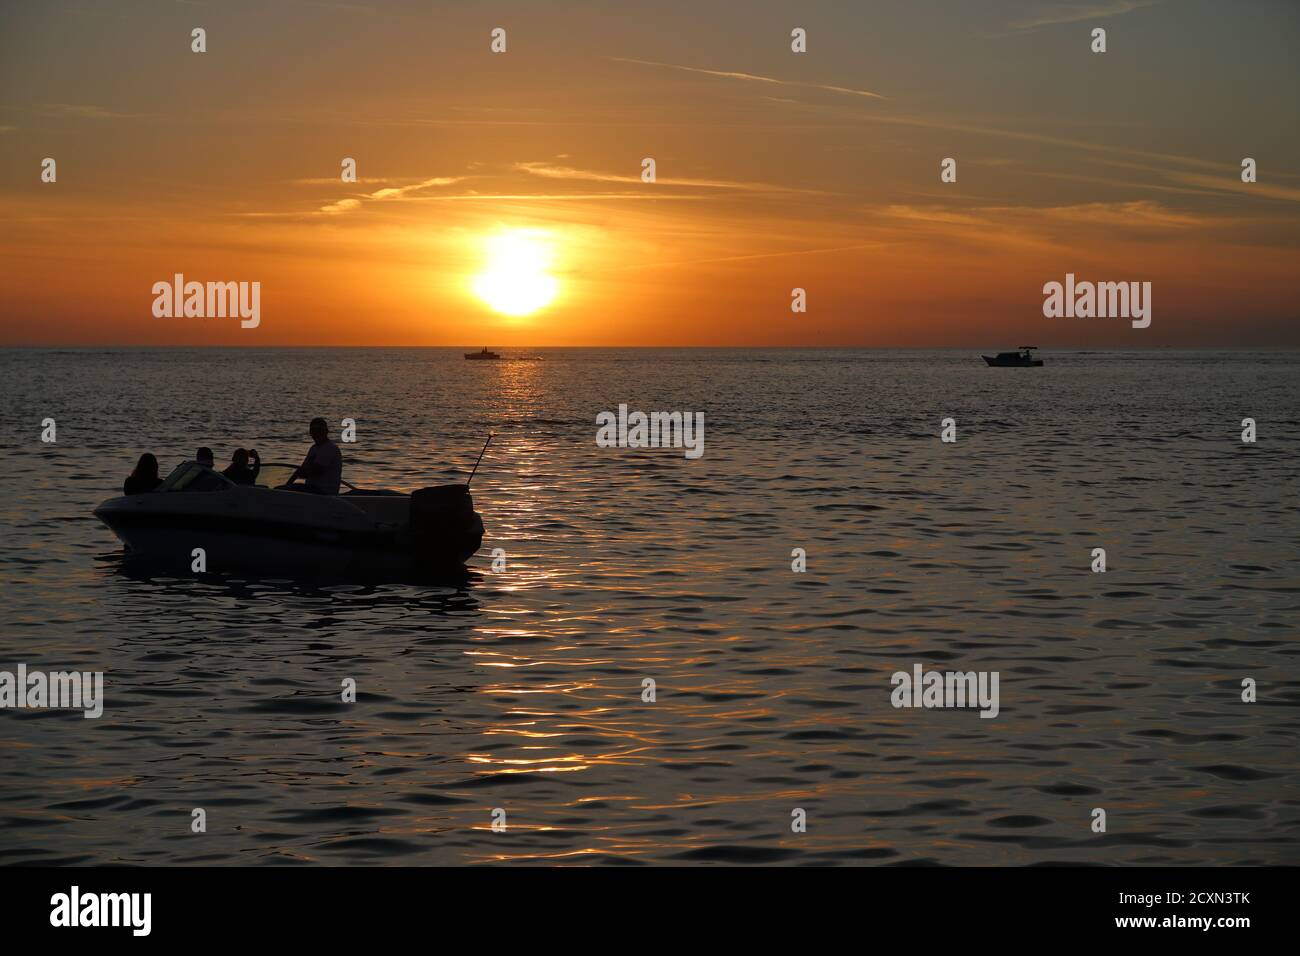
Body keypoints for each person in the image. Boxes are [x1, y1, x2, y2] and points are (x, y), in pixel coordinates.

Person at [286, 418, 342, 494]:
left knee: (291, 488)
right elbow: (301, 469)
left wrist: (303, 473)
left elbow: (317, 470)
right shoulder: (313, 448)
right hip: (312, 490)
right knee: (282, 488)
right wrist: (287, 484)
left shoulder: (330, 448)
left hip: (324, 492)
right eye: (313, 430)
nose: (317, 433)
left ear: (326, 432)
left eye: (319, 430)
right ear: (310, 432)